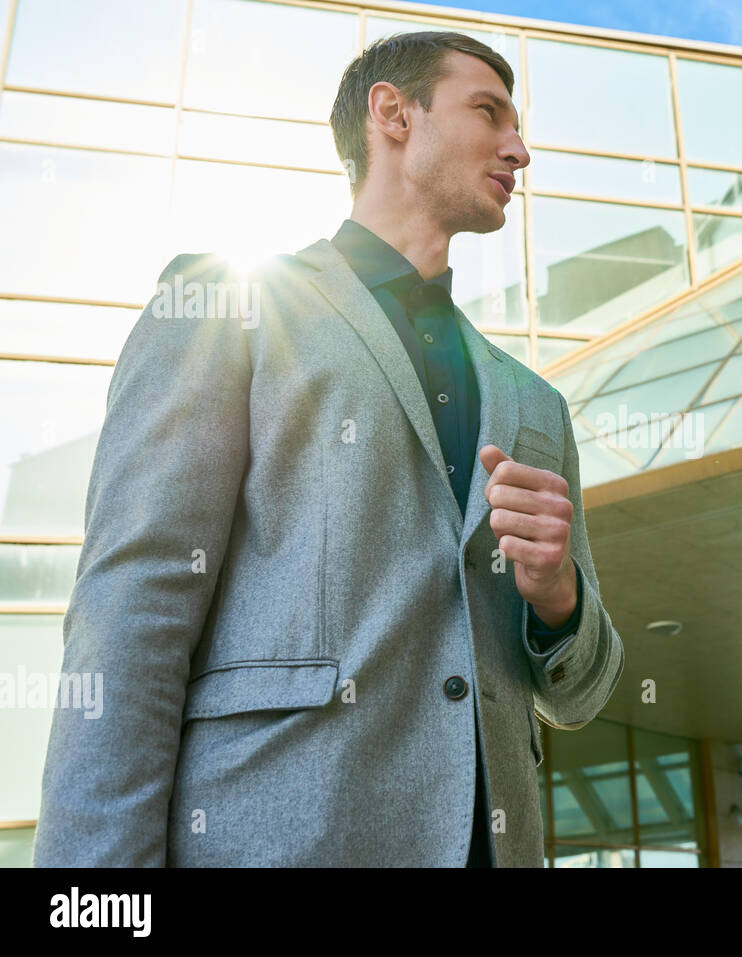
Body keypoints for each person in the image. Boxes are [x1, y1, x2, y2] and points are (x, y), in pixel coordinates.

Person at [33, 31, 624, 867]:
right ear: (393, 113)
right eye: (489, 112)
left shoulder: (535, 401)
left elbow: (584, 691)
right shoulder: (226, 305)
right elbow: (133, 607)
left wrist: (560, 599)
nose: (520, 149)